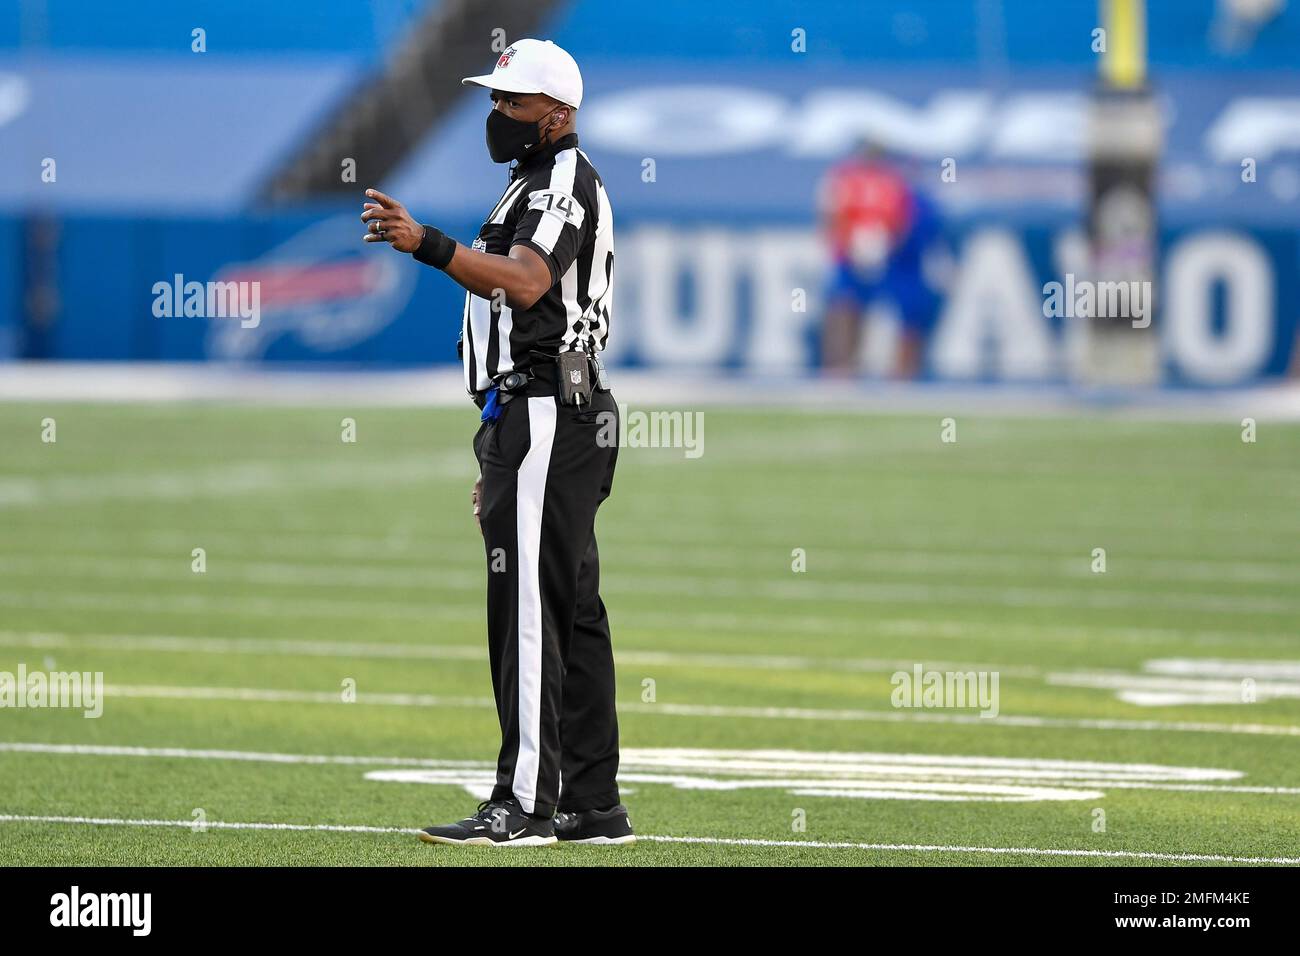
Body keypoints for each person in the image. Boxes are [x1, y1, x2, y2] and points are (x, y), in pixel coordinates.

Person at [360, 38, 632, 847]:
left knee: (527, 609)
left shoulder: (560, 183)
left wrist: (430, 245)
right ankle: (592, 802)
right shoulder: (532, 179)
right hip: (540, 414)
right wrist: (495, 445)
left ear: (557, 114)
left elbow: (525, 283)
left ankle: (522, 803)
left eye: (511, 101)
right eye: (495, 99)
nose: (496, 114)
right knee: (571, 609)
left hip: (552, 408)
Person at [817, 140, 943, 379]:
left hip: (893, 258)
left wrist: (887, 245)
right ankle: (839, 368)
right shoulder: (845, 179)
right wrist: (845, 244)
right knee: (845, 306)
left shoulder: (897, 186)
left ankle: (902, 374)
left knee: (907, 313)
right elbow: (831, 216)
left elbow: (907, 224)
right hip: (851, 255)